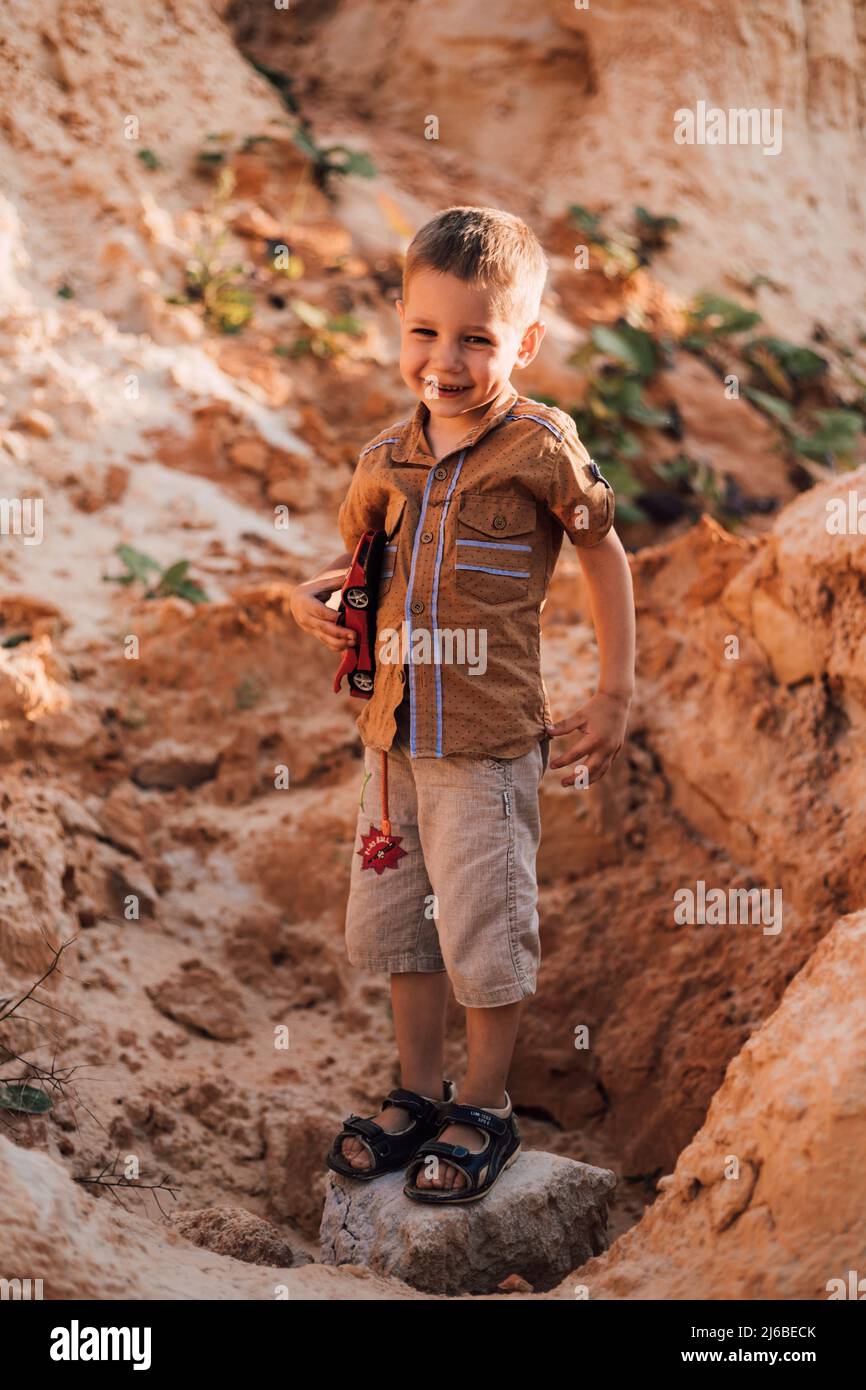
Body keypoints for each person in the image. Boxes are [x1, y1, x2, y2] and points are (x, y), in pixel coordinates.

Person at [290, 205, 635, 1204]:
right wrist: (306, 599)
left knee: (483, 925)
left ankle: (483, 1103)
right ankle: (415, 1088)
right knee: (402, 926)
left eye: (477, 339)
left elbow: (601, 550)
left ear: (523, 343)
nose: (444, 360)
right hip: (390, 744)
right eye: (424, 332)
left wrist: (615, 689)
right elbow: (362, 569)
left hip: (483, 745)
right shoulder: (381, 462)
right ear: (399, 325)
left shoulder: (538, 446)